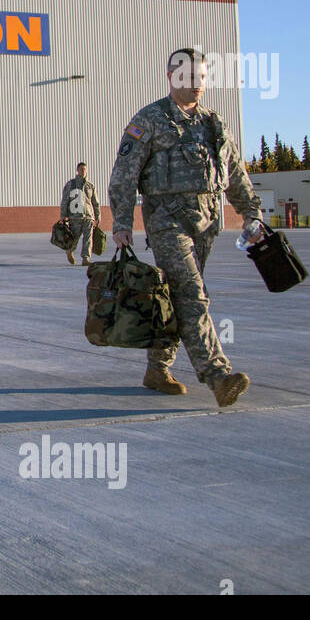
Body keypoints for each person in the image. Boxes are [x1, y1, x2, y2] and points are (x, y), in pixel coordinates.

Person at [108, 48, 265, 407]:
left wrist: (251, 214)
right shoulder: (148, 120)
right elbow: (124, 176)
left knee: (179, 298)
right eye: (189, 78)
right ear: (171, 77)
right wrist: (121, 222)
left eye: (203, 78)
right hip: (167, 220)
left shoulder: (214, 124)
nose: (197, 85)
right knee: (192, 293)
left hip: (208, 222)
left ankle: (157, 369)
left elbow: (237, 175)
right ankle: (218, 376)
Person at [59, 162, 100, 266]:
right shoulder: (71, 184)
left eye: (85, 169)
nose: (83, 171)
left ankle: (86, 258)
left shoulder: (90, 186)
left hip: (88, 217)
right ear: (77, 170)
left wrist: (98, 216)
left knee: (88, 239)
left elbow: (95, 202)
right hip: (75, 216)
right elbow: (65, 200)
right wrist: (63, 215)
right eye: (81, 169)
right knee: (75, 238)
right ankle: (69, 251)